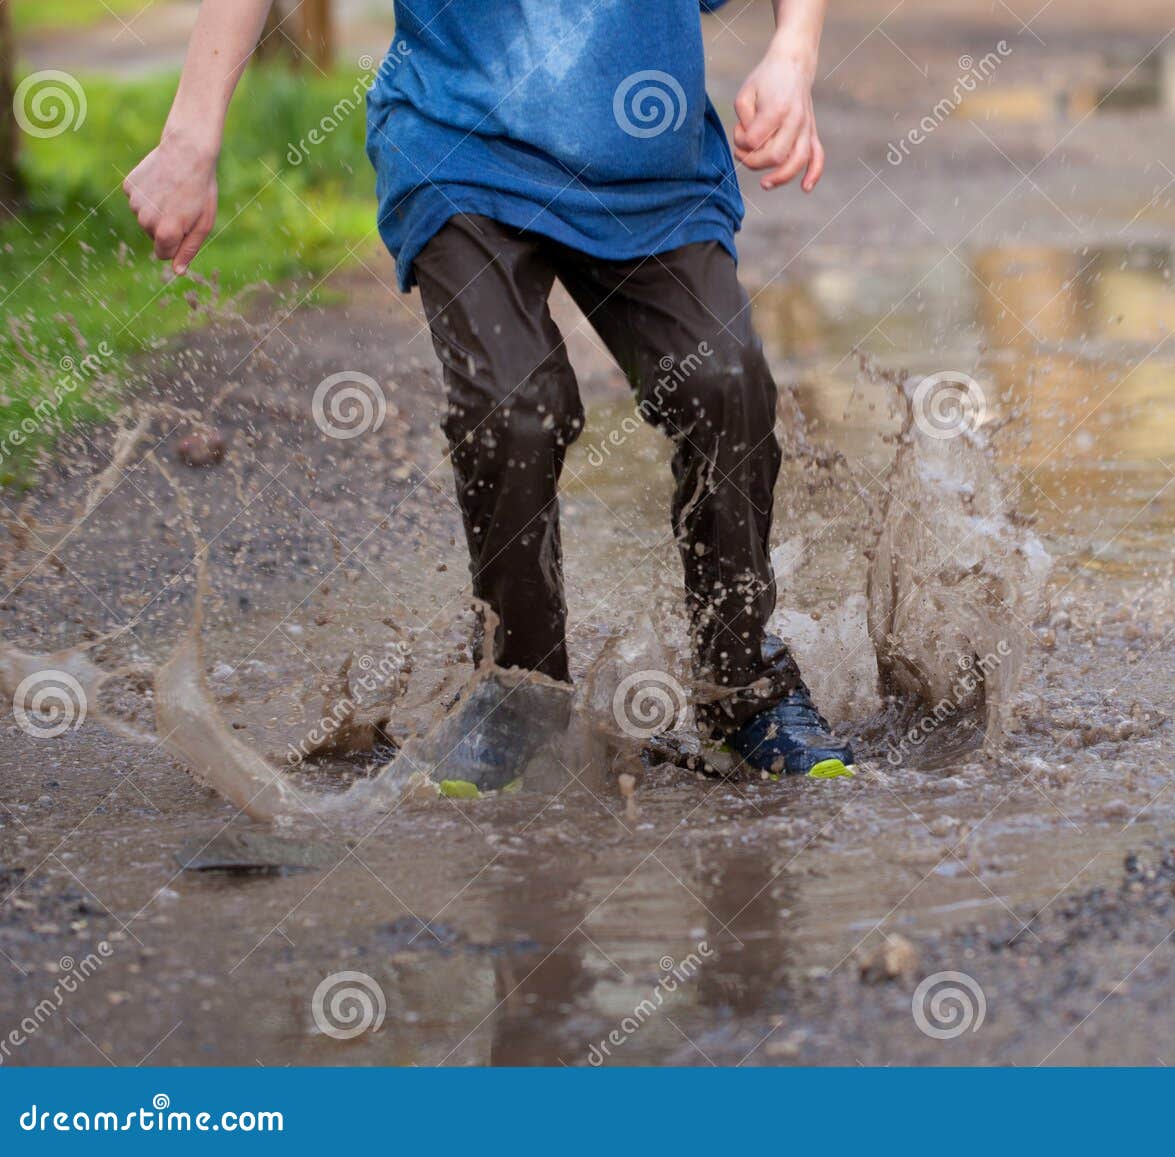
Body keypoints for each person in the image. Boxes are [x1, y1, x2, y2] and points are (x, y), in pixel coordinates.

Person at [123, 0, 856, 785]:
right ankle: (519, 690)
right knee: (516, 403)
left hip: (647, 161)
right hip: (459, 144)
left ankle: (742, 688)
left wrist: (793, 52)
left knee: (725, 382)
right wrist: (189, 134)